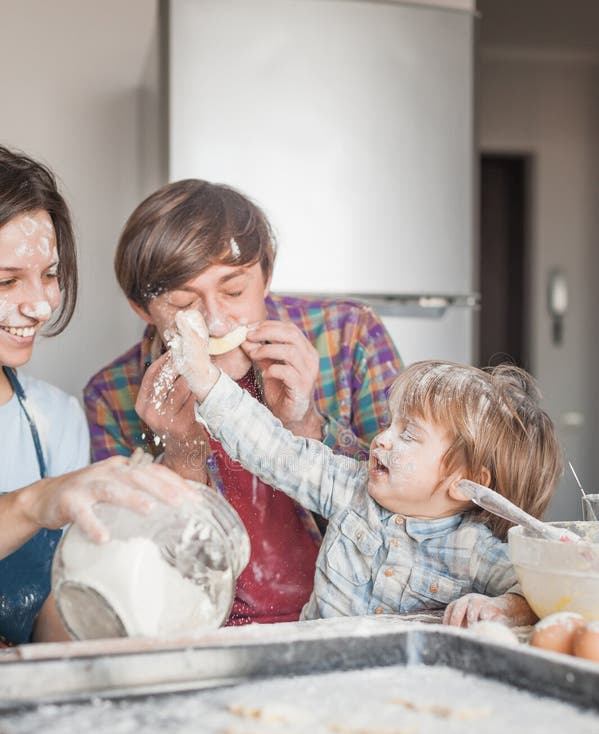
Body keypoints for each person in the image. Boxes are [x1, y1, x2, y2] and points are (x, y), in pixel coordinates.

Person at [84, 179, 402, 626]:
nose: (215, 322)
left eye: (233, 292)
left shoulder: (350, 337)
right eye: (181, 303)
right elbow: (130, 584)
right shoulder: (111, 396)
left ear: (266, 276)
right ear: (142, 308)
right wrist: (183, 459)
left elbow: (413, 516)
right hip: (208, 632)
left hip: (349, 620)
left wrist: (306, 423)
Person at [171, 307, 564, 628]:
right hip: (317, 675)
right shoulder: (348, 489)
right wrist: (206, 380)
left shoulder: (472, 550)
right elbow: (275, 450)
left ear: (465, 484)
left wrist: (502, 608)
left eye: (407, 434)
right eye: (389, 424)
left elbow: (544, 589)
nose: (382, 439)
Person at [0, 146, 196, 646]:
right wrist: (32, 504)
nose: (41, 305)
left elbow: (51, 614)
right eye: (7, 280)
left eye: (49, 275)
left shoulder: (55, 419)